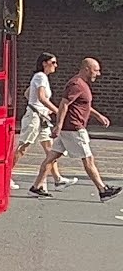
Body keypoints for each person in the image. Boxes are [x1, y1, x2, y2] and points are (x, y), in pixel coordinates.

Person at [29, 58, 121, 201]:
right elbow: (64, 104)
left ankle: (37, 187)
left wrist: (98, 116)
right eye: (96, 70)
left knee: (52, 157)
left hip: (70, 127)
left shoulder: (82, 85)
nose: (99, 73)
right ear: (86, 69)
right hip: (74, 128)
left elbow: (83, 105)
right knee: (88, 158)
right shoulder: (76, 84)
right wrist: (59, 125)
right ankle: (103, 190)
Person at [11, 53, 74, 191]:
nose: (56, 66)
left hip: (41, 117)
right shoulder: (41, 76)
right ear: (45, 63)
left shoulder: (39, 77)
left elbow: (27, 94)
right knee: (24, 147)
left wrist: (43, 109)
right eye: (53, 62)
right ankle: (6, 175)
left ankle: (58, 179)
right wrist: (58, 111)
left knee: (51, 149)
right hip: (34, 118)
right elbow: (41, 98)